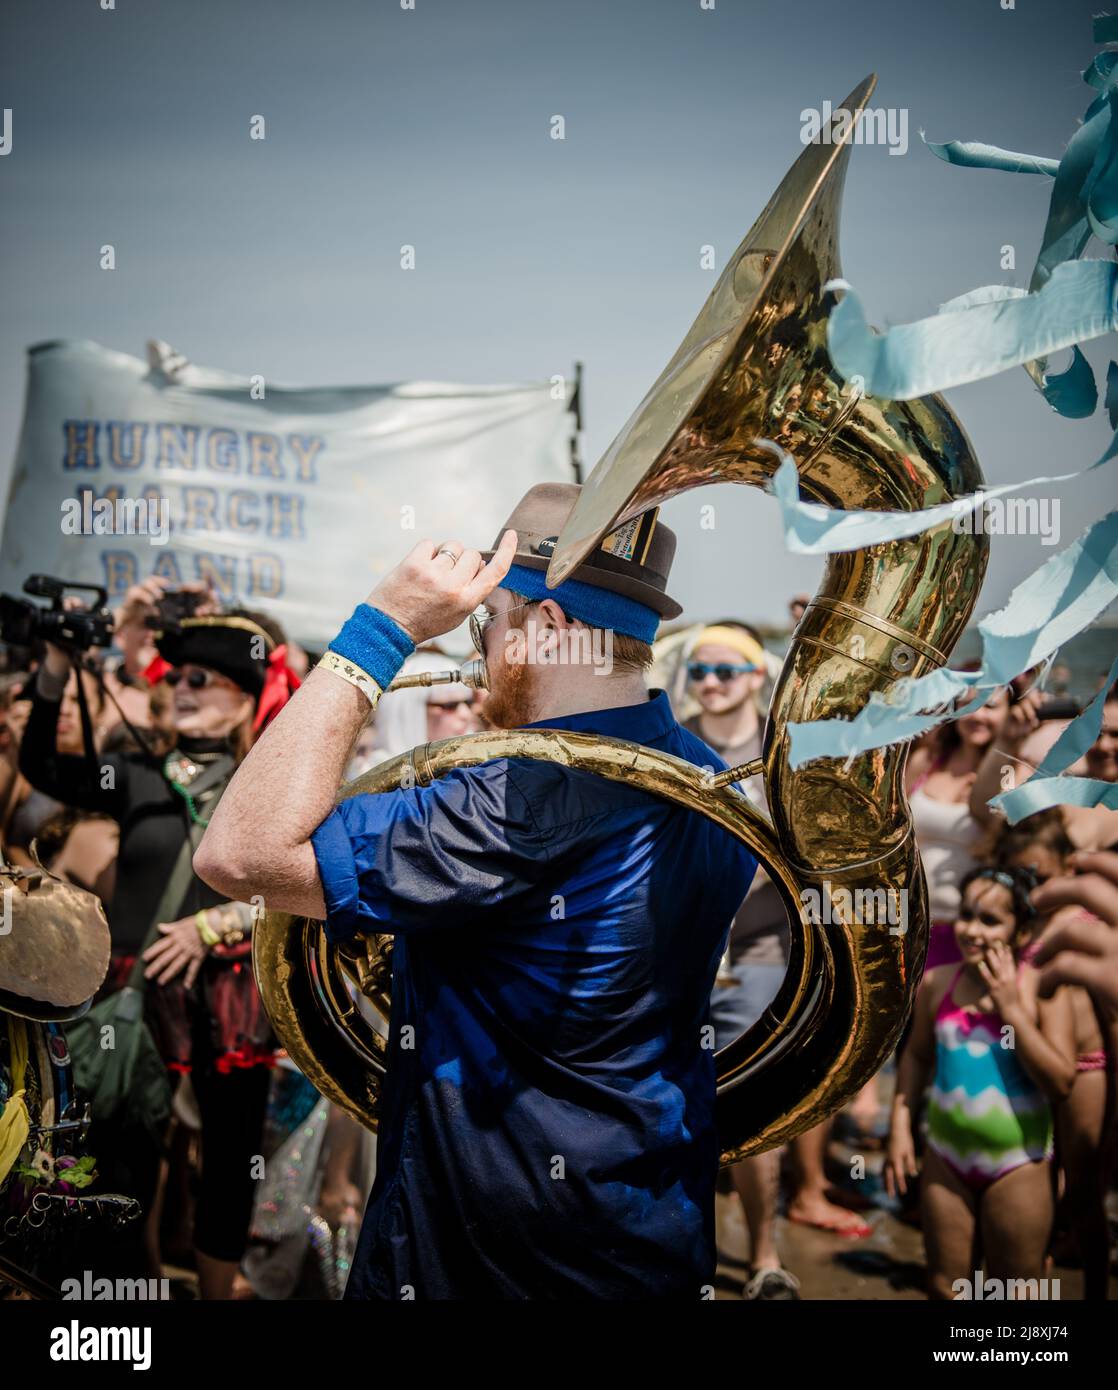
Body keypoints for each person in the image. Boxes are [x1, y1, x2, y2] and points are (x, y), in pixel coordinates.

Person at [196, 481, 759, 1299]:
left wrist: (381, 627)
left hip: (480, 1256)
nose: (480, 646)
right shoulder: (707, 777)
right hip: (649, 1235)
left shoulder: (507, 803)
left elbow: (237, 851)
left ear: (552, 629)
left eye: (491, 620)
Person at [18, 609, 300, 1298]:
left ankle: (212, 1292)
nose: (180, 687)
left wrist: (221, 925)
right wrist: (57, 666)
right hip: (135, 986)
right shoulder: (139, 772)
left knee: (230, 1162)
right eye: (174, 675)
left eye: (200, 676)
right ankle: (130, 1288)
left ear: (242, 691)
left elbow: (303, 888)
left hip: (229, 993)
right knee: (119, 1152)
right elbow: (41, 764)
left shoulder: (270, 781)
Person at [885, 866, 1076, 1299]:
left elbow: (1061, 1081)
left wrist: (1011, 1010)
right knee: (945, 1285)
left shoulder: (1042, 989)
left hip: (1017, 1165)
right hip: (945, 1158)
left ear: (1022, 932)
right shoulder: (937, 983)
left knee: (1015, 1289)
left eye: (991, 920)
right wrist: (900, 1125)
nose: (973, 929)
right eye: (968, 915)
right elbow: (915, 1057)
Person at [991, 810, 1114, 1300]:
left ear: (1068, 868)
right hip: (1030, 1061)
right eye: (1019, 877)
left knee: (1083, 1194)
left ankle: (1097, 1289)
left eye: (1038, 877)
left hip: (1087, 1070)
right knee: (1038, 1186)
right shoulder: (1022, 923)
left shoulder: (1087, 923)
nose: (1030, 887)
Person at [906, 685, 1008, 971]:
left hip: (965, 929)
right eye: (969, 704)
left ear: (1010, 713)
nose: (978, 714)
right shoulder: (926, 761)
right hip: (906, 920)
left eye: (990, 706)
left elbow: (1004, 837)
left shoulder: (1009, 774)